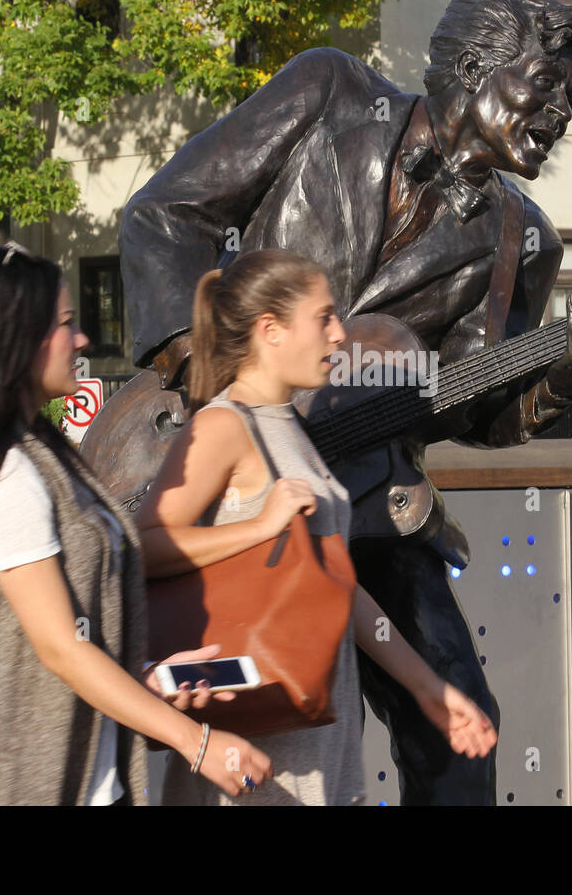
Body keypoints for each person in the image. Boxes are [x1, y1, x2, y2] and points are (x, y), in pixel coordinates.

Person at [110, 0, 572, 803]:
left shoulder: (523, 240)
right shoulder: (327, 91)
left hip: (365, 492)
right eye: (546, 84)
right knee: (165, 698)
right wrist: (204, 368)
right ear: (475, 67)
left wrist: (555, 384)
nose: (562, 111)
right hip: (209, 443)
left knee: (461, 730)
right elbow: (165, 215)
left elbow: (473, 407)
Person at [0, 244, 272, 805]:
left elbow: (67, 640)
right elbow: (61, 649)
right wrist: (198, 744)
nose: (82, 341)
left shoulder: (45, 457)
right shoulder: (1, 474)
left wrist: (147, 674)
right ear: (15, 340)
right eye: (66, 325)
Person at [134, 248, 497, 805]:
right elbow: (145, 545)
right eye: (323, 317)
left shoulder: (291, 429)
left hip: (320, 753)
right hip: (258, 766)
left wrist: (427, 688)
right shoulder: (222, 426)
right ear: (270, 330)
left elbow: (335, 587)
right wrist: (258, 527)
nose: (337, 336)